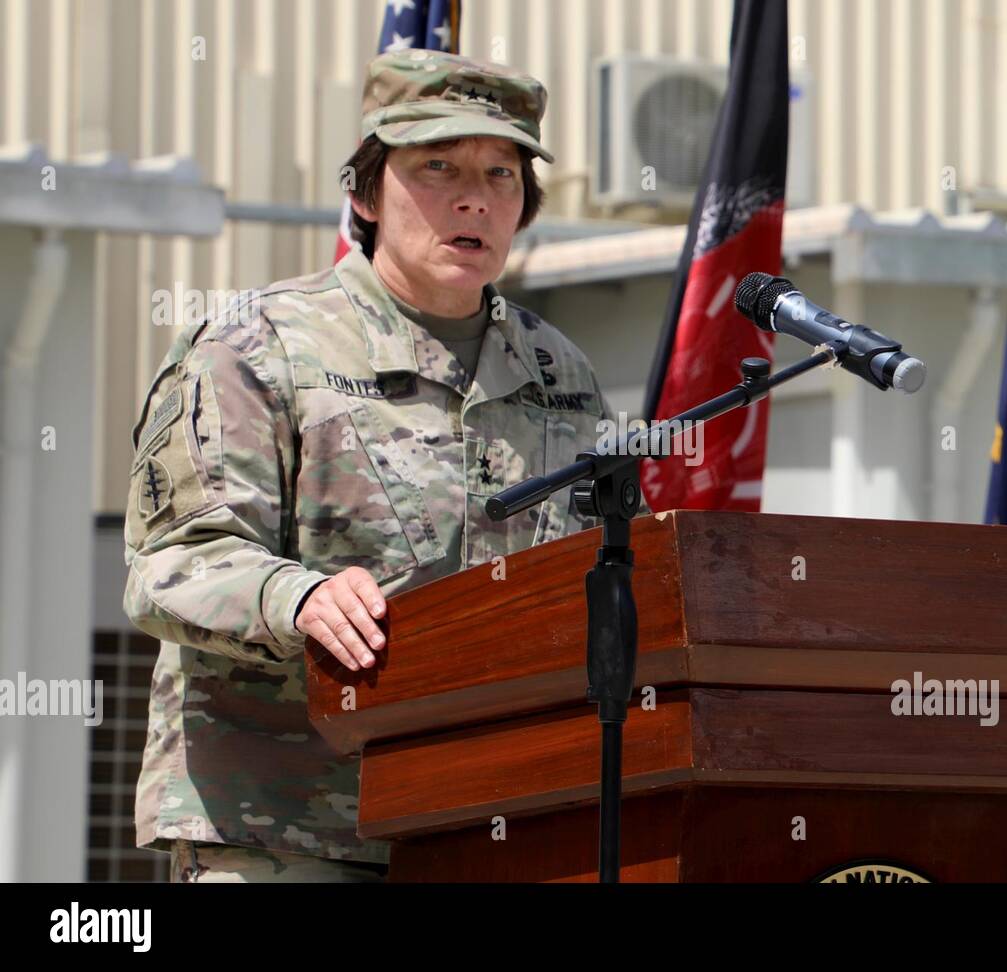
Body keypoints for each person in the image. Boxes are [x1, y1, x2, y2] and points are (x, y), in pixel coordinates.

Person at [123, 49, 630, 882]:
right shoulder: (259, 346)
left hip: (496, 824)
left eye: (502, 174)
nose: (474, 197)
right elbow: (170, 564)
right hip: (289, 828)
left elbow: (607, 569)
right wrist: (300, 596)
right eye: (438, 166)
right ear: (364, 191)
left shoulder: (558, 372)